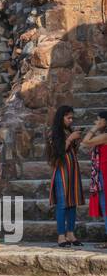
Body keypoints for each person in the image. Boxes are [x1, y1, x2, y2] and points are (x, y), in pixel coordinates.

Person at [47, 105, 83, 247]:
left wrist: (76, 140)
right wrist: (70, 139)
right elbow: (58, 151)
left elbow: (73, 151)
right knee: (62, 203)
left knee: (72, 202)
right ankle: (61, 236)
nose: (70, 120)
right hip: (61, 170)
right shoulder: (54, 132)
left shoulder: (69, 131)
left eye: (72, 118)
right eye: (68, 118)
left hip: (72, 169)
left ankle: (71, 234)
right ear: (61, 117)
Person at [81, 111, 107, 242]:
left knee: (105, 205)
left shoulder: (105, 136)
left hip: (105, 172)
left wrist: (95, 128)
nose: (95, 122)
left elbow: (86, 141)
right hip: (103, 171)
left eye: (98, 120)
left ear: (104, 121)